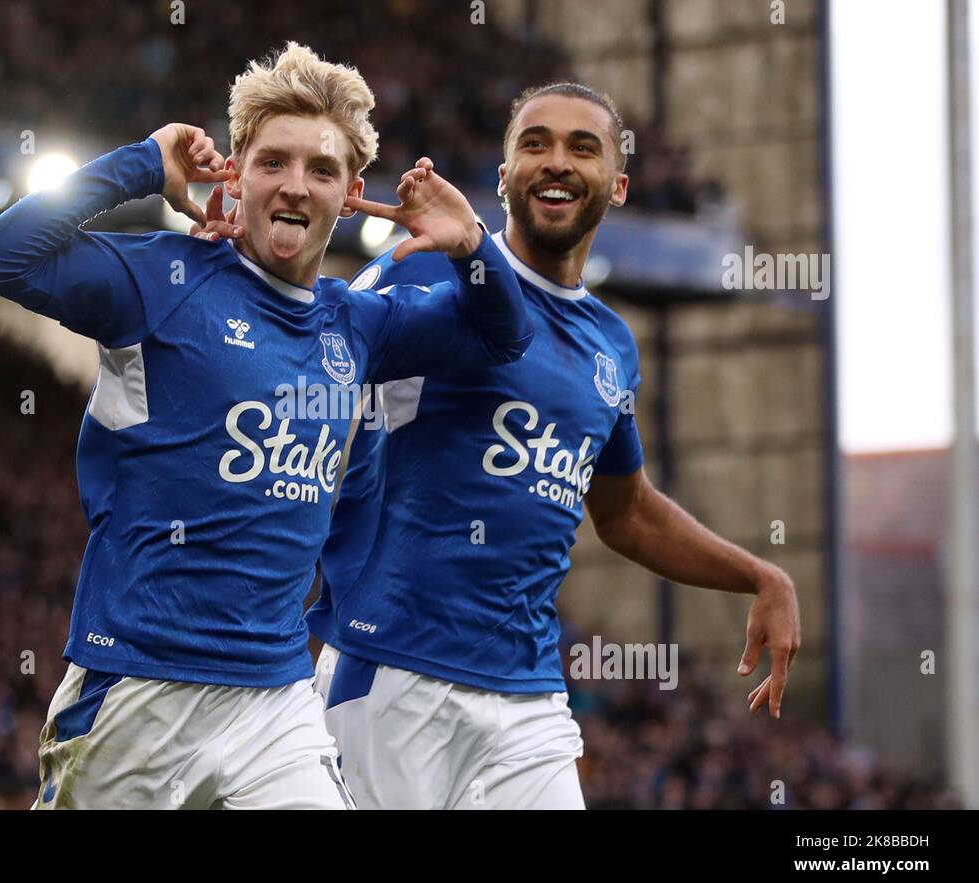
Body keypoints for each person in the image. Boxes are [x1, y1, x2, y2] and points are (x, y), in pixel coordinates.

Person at [0, 42, 531, 809]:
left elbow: (503, 335)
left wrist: (471, 247)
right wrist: (139, 164)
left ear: (352, 193)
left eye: (321, 170)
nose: (296, 186)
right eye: (273, 162)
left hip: (276, 701)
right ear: (235, 172)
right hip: (139, 685)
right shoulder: (161, 279)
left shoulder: (360, 326)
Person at [300, 83, 801, 809]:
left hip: (528, 696)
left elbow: (627, 511)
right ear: (502, 177)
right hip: (391, 671)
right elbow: (310, 370)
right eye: (534, 144)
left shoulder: (612, 345)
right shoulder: (423, 266)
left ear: (618, 185)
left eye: (582, 147)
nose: (556, 161)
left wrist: (761, 575)